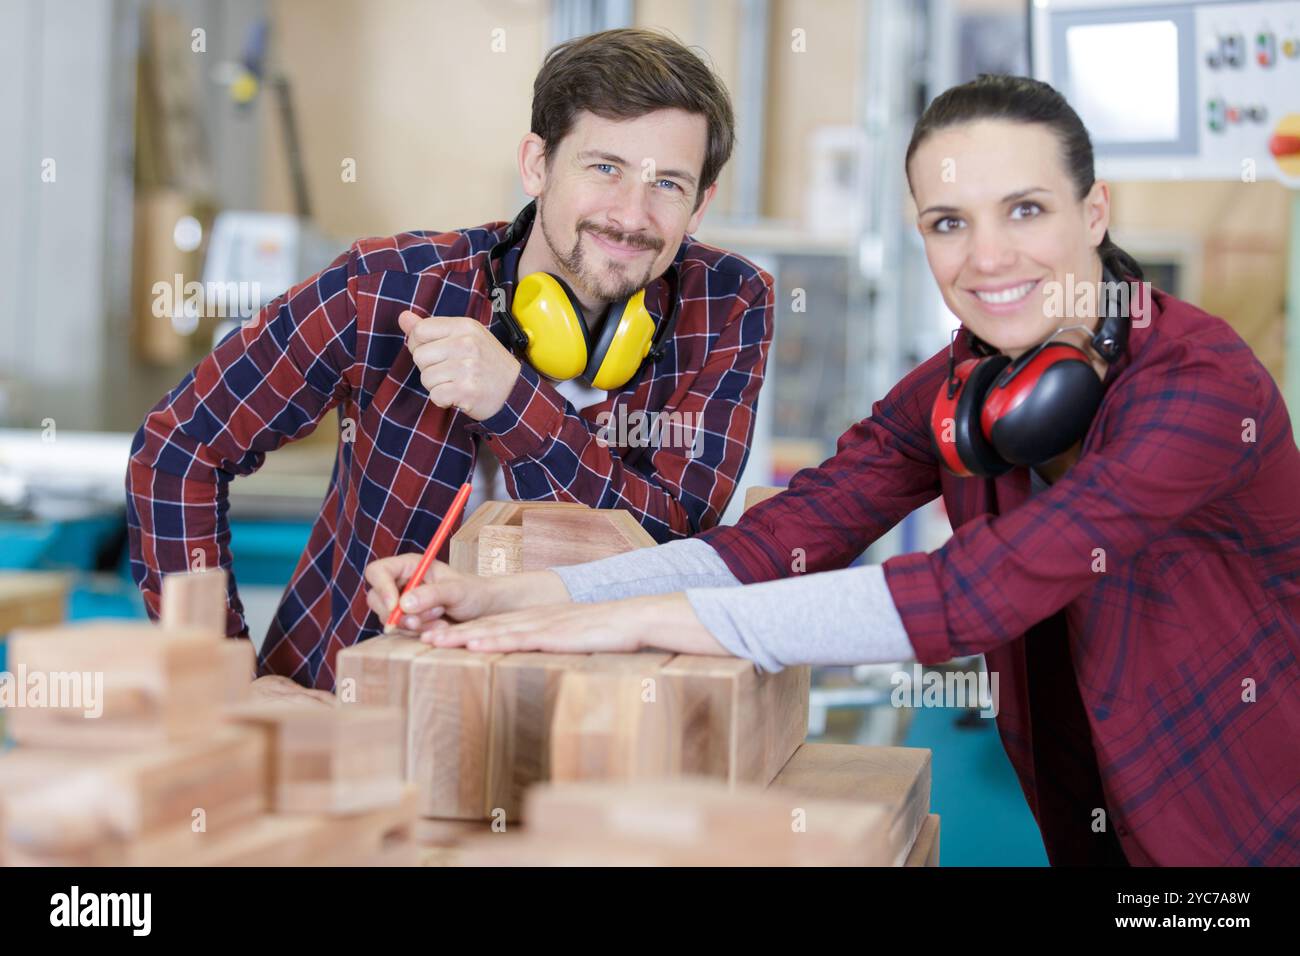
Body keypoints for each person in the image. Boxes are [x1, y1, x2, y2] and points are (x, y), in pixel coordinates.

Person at [365, 76, 1300, 867]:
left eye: (1026, 210)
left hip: (1249, 836)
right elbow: (777, 542)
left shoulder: (1201, 387)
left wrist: (633, 622)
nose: (986, 257)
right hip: (1091, 823)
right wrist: (531, 598)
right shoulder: (961, 388)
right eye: (947, 222)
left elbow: (973, 593)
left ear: (1094, 212)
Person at [126, 29, 775, 697]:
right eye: (604, 167)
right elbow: (180, 447)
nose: (632, 215)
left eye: (667, 183)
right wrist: (223, 681)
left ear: (699, 205)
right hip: (350, 703)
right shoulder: (390, 287)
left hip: (594, 721)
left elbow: (669, 547)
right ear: (537, 165)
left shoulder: (726, 302)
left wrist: (510, 400)